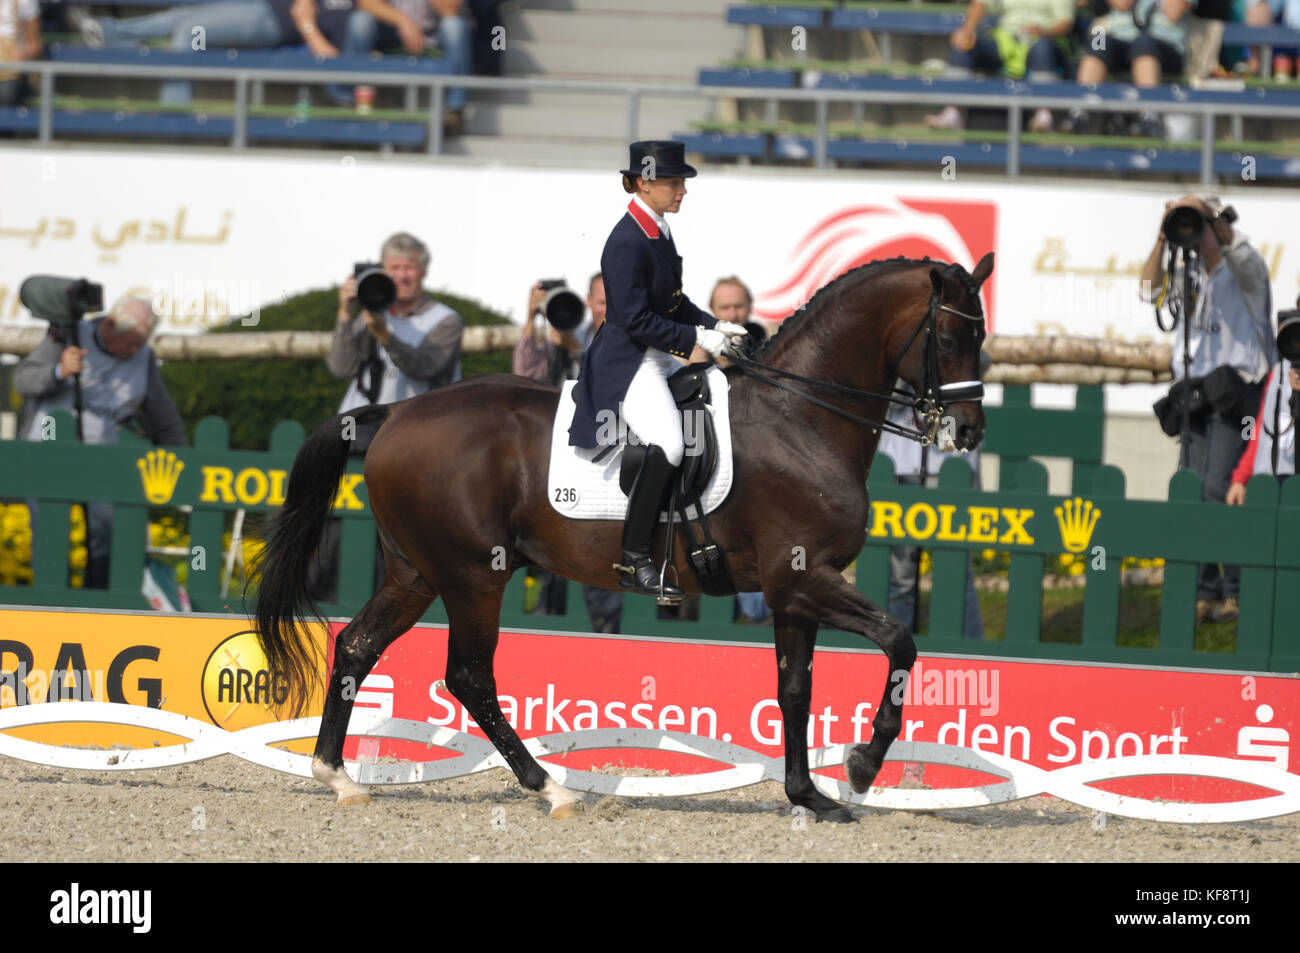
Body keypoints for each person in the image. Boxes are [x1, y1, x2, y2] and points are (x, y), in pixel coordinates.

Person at [568, 140, 748, 600]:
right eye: (673, 182)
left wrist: (713, 325)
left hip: (657, 352)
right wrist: (695, 340)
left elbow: (672, 303)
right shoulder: (626, 240)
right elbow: (631, 318)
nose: (682, 190)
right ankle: (635, 556)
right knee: (669, 442)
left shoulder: (659, 229)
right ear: (645, 183)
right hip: (630, 362)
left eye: (682, 181)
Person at [309, 231, 463, 600]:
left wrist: (387, 336)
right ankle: (320, 602)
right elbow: (340, 365)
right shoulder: (368, 312)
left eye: (409, 268)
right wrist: (346, 315)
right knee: (333, 527)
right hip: (355, 433)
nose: (402, 276)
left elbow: (426, 366)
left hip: (411, 440)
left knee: (391, 536)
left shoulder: (444, 320)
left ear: (423, 272)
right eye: (394, 268)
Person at [1142, 195, 1274, 623]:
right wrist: (1163, 236)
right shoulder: (1189, 271)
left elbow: (1245, 260)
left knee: (1220, 488)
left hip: (1236, 393)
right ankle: (1202, 590)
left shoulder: (1245, 267)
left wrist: (1211, 218)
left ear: (1218, 224)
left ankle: (1236, 590)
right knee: (1190, 489)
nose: (1193, 231)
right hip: (1195, 393)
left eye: (1198, 222)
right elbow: (1147, 290)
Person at [15, 295, 188, 588]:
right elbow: (23, 381)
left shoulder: (143, 357)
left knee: (107, 531)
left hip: (103, 460)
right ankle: (48, 601)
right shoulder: (67, 335)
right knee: (49, 534)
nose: (135, 350)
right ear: (109, 325)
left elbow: (165, 419)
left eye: (141, 343)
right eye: (131, 342)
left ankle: (95, 601)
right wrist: (58, 371)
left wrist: (185, 466)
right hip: (47, 455)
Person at [69, 0, 425, 106]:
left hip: (269, 25)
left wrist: (307, 25)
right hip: (263, 7)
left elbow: (335, 64)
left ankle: (174, 111)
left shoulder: (357, 22)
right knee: (185, 18)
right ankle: (114, 34)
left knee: (189, 33)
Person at [877, 372, 987, 640]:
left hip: (948, 470)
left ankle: (970, 651)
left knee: (957, 572)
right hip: (901, 464)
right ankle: (897, 647)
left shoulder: (956, 345)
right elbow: (886, 399)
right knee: (900, 578)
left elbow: (952, 436)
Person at [925, 0, 1075, 134]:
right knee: (965, 44)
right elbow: (981, 4)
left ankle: (1044, 114)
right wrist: (967, 30)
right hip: (1006, 41)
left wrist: (1044, 31)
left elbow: (1064, 22)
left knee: (1042, 48)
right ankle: (953, 112)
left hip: (1044, 40)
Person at [1060, 0, 1194, 138]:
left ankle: (1149, 116)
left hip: (1164, 45)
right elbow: (1123, 4)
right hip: (1120, 39)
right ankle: (1079, 112)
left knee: (1143, 42)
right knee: (1097, 42)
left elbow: (1174, 13)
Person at [367, 0, 472, 130]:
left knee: (455, 26)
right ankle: (348, 101)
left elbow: (450, 11)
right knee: (361, 21)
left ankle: (454, 109)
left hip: (434, 35)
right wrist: (403, 21)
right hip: (391, 31)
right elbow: (366, 4)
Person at [0, 0, 41, 107]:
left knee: (7, 94)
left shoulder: (25, 2)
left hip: (10, 72)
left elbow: (35, 45)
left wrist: (24, 54)